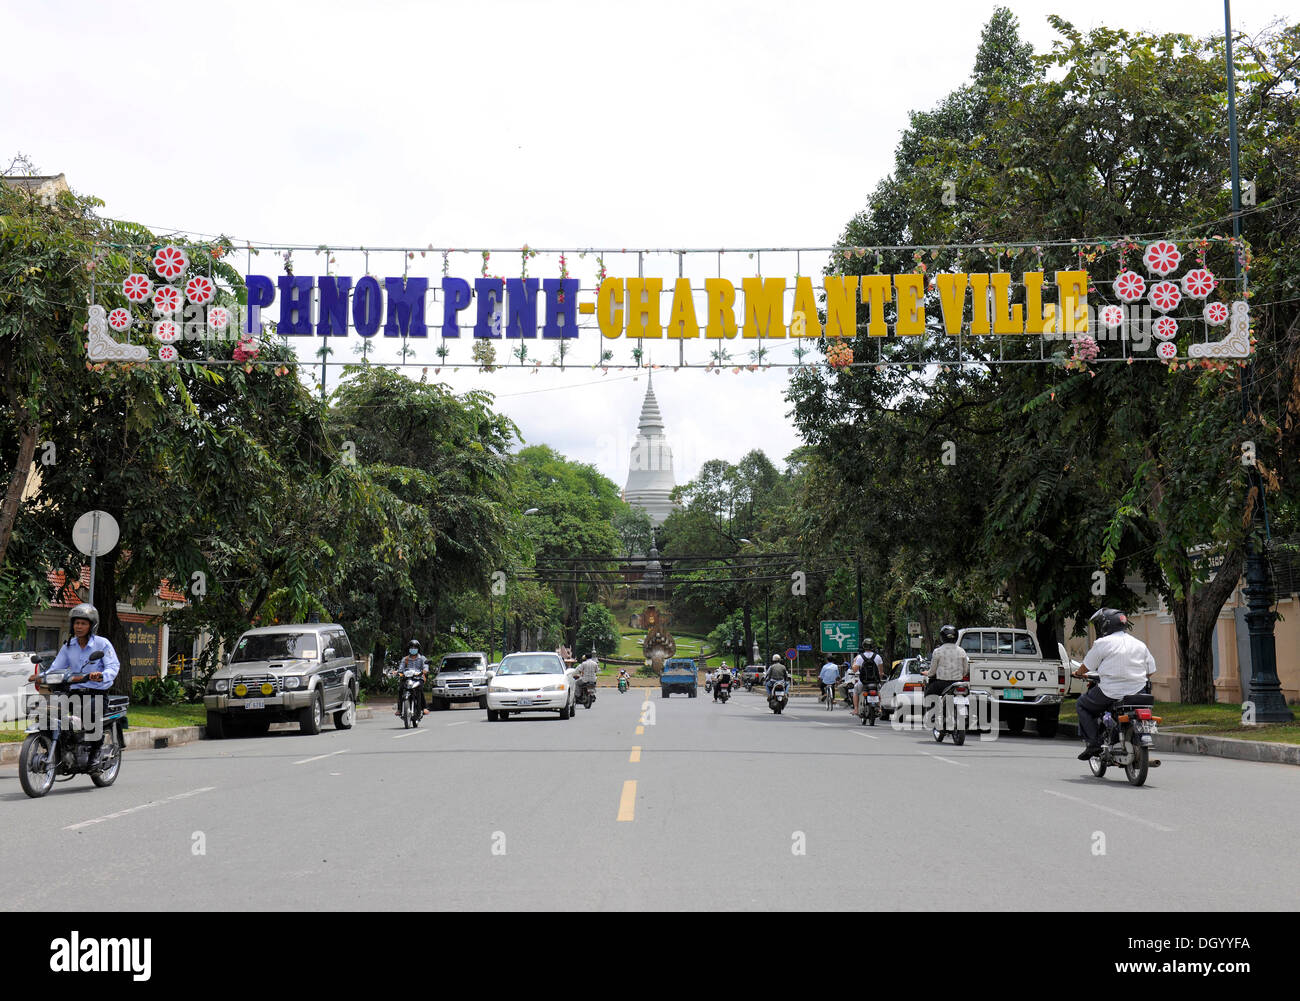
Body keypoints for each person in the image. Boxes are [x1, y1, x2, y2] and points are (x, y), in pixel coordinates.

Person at [1072, 608, 1157, 760]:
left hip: (1110, 692)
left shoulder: (1102, 643)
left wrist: (1078, 673)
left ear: (1106, 625)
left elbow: (1087, 666)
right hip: (1138, 692)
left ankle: (1093, 744)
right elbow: (1151, 670)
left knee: (1082, 705)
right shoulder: (1139, 644)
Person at [46, 604, 121, 766]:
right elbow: (55, 667)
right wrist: (40, 677)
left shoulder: (102, 644)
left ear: (91, 625)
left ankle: (95, 752)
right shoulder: (68, 646)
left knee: (90, 715)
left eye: (83, 623)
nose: (79, 627)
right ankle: (64, 748)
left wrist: (101, 675)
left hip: (96, 694)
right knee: (51, 713)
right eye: (76, 623)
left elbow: (113, 666)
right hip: (73, 693)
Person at [923, 625, 969, 729]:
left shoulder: (938, 651)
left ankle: (933, 715)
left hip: (941, 684)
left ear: (942, 637)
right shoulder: (962, 651)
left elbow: (932, 672)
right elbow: (966, 671)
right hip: (958, 684)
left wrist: (927, 673)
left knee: (929, 693)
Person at [394, 640, 429, 717]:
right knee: (400, 689)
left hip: (418, 678)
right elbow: (401, 669)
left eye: (415, 647)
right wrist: (397, 672)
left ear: (418, 649)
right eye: (411, 647)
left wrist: (425, 671)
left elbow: (426, 667)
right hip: (407, 678)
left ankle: (424, 707)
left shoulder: (422, 658)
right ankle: (399, 709)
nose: (413, 649)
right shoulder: (405, 659)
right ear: (409, 649)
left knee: (420, 689)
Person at [852, 641, 884, 715]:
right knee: (878, 692)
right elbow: (881, 672)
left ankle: (856, 709)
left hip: (863, 682)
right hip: (875, 682)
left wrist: (854, 661)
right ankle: (879, 708)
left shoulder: (860, 657)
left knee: (856, 691)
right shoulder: (878, 657)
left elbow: (854, 670)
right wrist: (880, 677)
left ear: (863, 646)